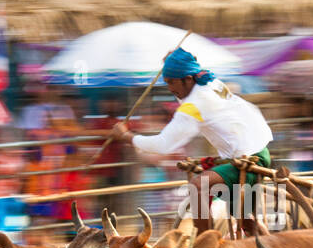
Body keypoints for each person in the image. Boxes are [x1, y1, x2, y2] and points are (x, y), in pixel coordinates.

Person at [108, 47, 273, 234]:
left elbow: (164, 145)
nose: (170, 89)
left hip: (249, 159)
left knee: (198, 186)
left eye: (172, 82)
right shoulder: (208, 81)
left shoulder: (195, 104)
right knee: (244, 219)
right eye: (166, 82)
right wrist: (174, 60)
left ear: (187, 79)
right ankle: (270, 247)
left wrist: (126, 136)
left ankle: (206, 243)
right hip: (253, 152)